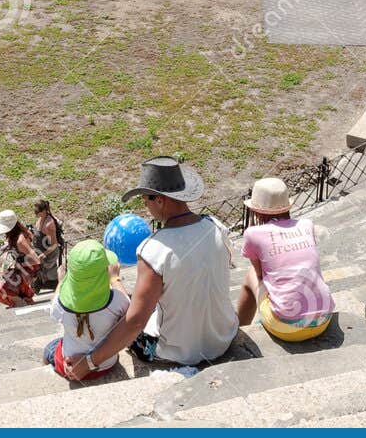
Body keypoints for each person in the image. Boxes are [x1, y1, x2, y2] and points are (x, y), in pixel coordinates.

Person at [63, 157, 239, 377]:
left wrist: (88, 363)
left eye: (146, 200)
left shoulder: (152, 250)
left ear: (160, 200)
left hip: (181, 354)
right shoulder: (215, 226)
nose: (145, 206)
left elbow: (136, 321)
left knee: (120, 312)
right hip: (223, 339)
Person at [235, 178, 335, 342]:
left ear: (257, 211)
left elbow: (260, 274)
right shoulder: (306, 224)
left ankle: (240, 331)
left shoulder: (253, 234)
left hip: (286, 329)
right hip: (323, 320)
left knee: (250, 275)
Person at [43, 240, 130, 381]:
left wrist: (61, 281)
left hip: (69, 361)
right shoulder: (116, 302)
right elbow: (129, 307)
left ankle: (48, 378)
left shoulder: (60, 305)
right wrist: (114, 279)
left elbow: (57, 298)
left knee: (48, 349)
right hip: (106, 363)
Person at [0, 209, 43, 306]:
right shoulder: (18, 235)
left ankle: (21, 304)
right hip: (19, 270)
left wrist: (18, 264)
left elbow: (35, 259)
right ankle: (23, 301)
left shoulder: (20, 240)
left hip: (25, 270)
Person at [32, 197, 64, 291]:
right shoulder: (40, 219)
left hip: (49, 254)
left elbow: (54, 244)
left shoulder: (49, 224)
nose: (36, 214)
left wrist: (43, 254)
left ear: (44, 211)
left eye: (38, 212)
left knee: (51, 277)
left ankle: (58, 290)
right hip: (40, 251)